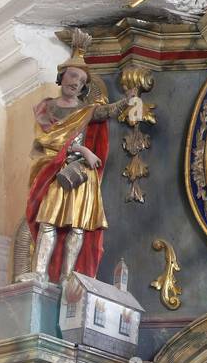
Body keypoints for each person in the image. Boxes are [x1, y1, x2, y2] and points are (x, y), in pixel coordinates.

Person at [25, 34, 134, 282]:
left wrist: (128, 100)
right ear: (62, 76)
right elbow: (46, 142)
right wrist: (82, 150)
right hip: (56, 172)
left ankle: (67, 277)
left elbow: (109, 111)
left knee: (77, 226)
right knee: (48, 221)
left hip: (81, 176)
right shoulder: (46, 108)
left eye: (82, 80)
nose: (76, 82)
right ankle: (39, 273)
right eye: (73, 75)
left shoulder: (86, 111)